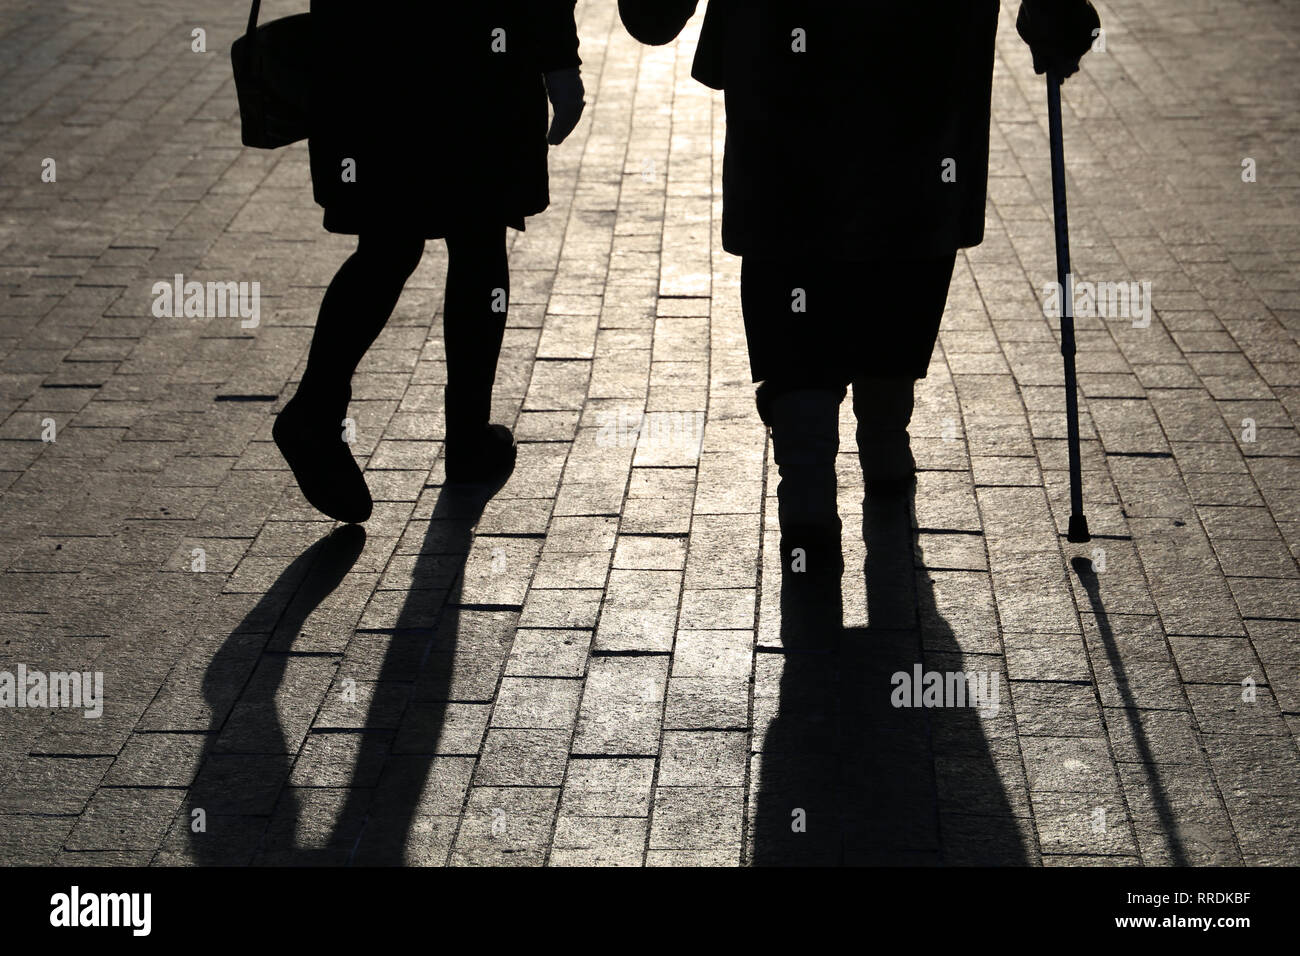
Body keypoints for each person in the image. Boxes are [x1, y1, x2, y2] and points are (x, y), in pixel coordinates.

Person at [617, 0, 1101, 575]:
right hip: (925, 50)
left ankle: (807, 488)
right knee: (906, 230)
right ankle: (884, 433)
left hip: (783, 56)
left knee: (793, 244)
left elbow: (651, 17)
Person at [274, 2, 586, 523]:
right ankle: (466, 436)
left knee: (390, 239)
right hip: (479, 44)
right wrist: (558, 59)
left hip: (371, 45)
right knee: (478, 233)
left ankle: (317, 409)